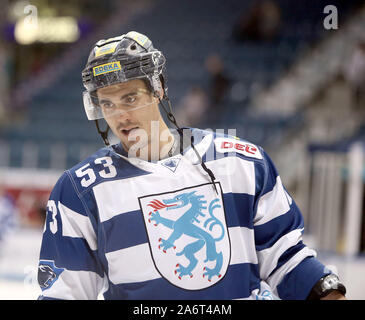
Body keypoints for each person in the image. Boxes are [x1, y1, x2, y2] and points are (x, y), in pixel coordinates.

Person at [37, 31, 347, 300]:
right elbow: (65, 291)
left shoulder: (241, 162)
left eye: (130, 99)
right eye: (107, 103)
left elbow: (288, 260)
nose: (119, 116)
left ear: (158, 89)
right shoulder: (79, 191)